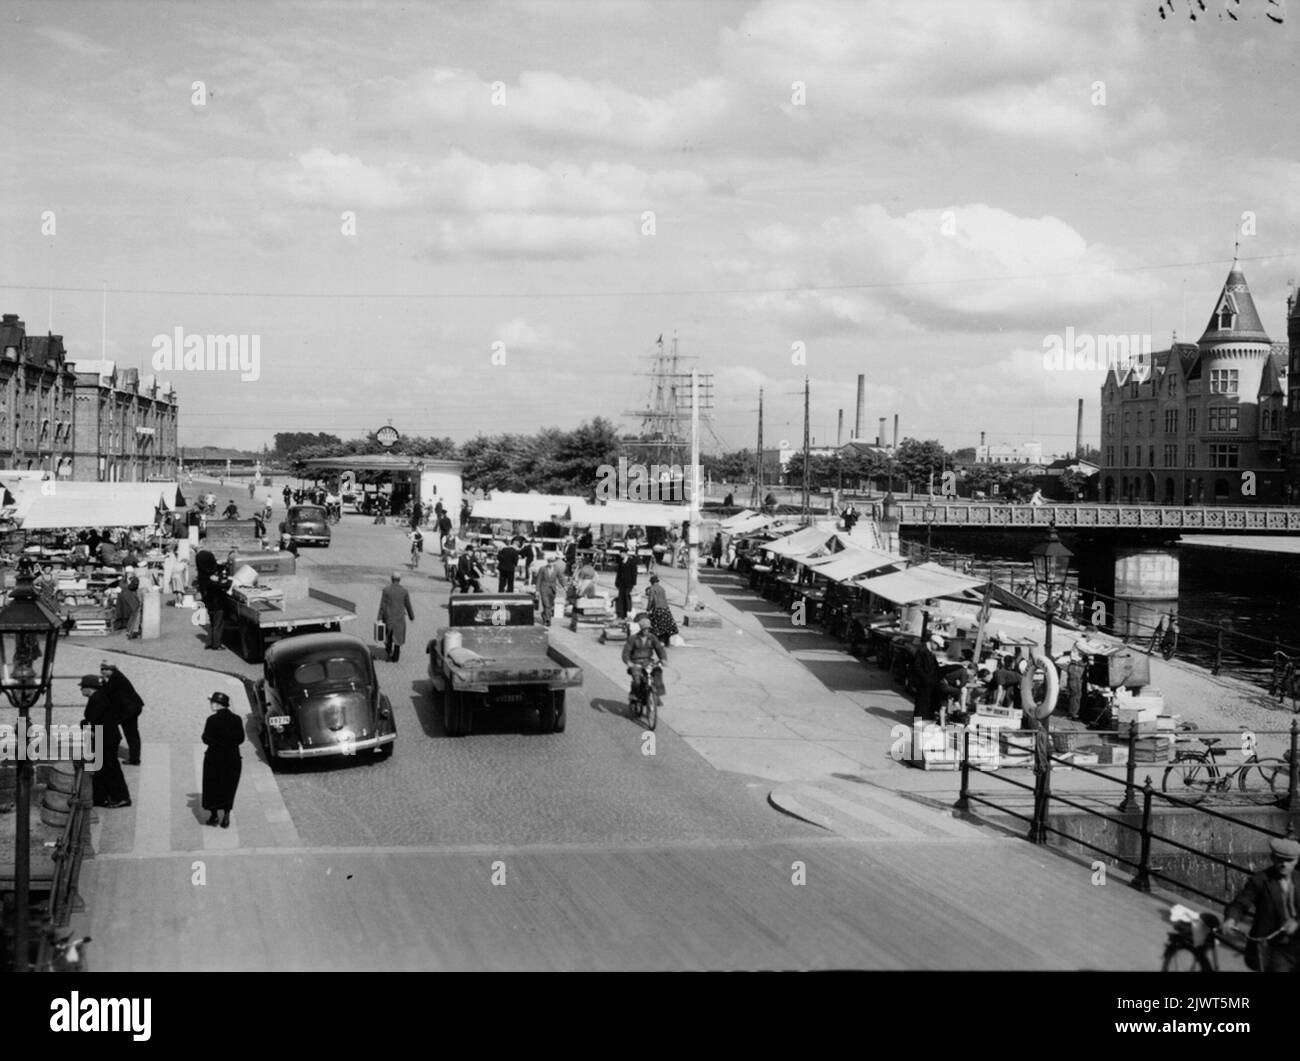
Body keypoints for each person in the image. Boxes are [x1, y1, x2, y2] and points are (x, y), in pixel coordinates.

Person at [1225, 836, 1300, 972]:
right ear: (1272, 858)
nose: (1284, 865)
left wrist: (1296, 922)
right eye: (1280, 859)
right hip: (1274, 945)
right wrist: (1232, 919)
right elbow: (1241, 903)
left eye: (1289, 860)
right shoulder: (1260, 880)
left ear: (1296, 861)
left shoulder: (1299, 879)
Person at [80, 675, 130, 808]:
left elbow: (92, 718)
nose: (81, 691)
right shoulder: (100, 696)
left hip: (105, 738)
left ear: (88, 688)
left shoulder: (97, 699)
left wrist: (84, 725)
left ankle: (121, 797)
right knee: (102, 768)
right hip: (106, 736)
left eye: (82, 688)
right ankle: (101, 797)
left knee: (110, 768)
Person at [201, 690, 243, 828]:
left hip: (214, 759)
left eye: (212, 702)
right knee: (229, 787)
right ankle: (226, 816)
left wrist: (217, 742)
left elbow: (205, 738)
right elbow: (240, 739)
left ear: (218, 704)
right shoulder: (237, 719)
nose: (211, 704)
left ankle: (214, 816)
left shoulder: (211, 720)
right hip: (232, 759)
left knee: (212, 786)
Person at [100, 661, 144, 765]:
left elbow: (105, 692)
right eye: (102, 669)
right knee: (132, 734)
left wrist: (101, 684)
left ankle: (107, 753)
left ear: (112, 669)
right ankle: (134, 759)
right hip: (133, 707)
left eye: (105, 669)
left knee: (111, 727)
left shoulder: (115, 678)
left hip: (128, 711)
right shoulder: (116, 677)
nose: (102, 672)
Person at [622, 612, 667, 699]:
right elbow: (626, 652)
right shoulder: (633, 638)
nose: (646, 631)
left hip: (648, 662)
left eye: (648, 629)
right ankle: (634, 694)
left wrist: (663, 659)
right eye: (644, 629)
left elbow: (659, 649)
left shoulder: (652, 637)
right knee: (637, 680)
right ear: (641, 629)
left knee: (657, 672)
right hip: (636, 663)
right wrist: (628, 662)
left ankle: (656, 695)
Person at [377, 571, 415, 662]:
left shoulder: (386, 590)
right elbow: (408, 605)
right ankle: (395, 657)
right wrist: (411, 616)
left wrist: (379, 618)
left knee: (388, 636)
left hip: (388, 618)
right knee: (398, 639)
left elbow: (383, 605)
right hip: (400, 619)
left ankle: (389, 651)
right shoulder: (404, 591)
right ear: (399, 580)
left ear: (391, 579)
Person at [195, 549, 229, 650]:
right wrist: (228, 583)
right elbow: (217, 585)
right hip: (216, 602)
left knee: (213, 623)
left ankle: (210, 642)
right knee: (218, 624)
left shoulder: (202, 574)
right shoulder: (209, 578)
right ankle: (216, 644)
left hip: (208, 602)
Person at [912, 634, 943, 721]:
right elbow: (917, 667)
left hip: (928, 682)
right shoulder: (922, 651)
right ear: (933, 643)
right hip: (922, 682)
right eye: (937, 646)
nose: (937, 648)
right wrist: (927, 678)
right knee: (921, 703)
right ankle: (918, 722)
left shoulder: (929, 652)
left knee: (926, 703)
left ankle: (925, 720)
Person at [644, 573, 678, 641]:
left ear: (652, 582)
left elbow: (651, 600)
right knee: (667, 625)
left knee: (657, 625)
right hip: (666, 609)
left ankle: (658, 640)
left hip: (658, 609)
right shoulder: (662, 588)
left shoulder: (652, 589)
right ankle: (666, 639)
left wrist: (648, 608)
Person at [534, 554, 562, 625]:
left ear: (554, 562)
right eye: (549, 562)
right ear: (547, 562)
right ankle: (548, 620)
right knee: (546, 604)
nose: (550, 563)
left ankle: (544, 615)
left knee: (550, 605)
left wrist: (564, 586)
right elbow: (538, 580)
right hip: (544, 588)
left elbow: (561, 578)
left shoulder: (557, 569)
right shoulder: (542, 569)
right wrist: (537, 590)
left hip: (552, 589)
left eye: (552, 562)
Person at [614, 551, 638, 620]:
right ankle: (621, 614)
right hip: (621, 583)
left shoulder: (631, 561)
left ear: (625, 553)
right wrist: (616, 582)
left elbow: (634, 573)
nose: (620, 554)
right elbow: (618, 573)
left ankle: (628, 613)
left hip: (629, 583)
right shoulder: (621, 561)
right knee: (621, 598)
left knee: (627, 598)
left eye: (621, 553)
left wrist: (634, 584)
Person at [1065, 650, 1087, 720]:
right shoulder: (1081, 645)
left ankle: (1073, 712)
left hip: (1077, 671)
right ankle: (1073, 713)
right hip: (1076, 672)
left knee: (1076, 694)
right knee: (1076, 694)